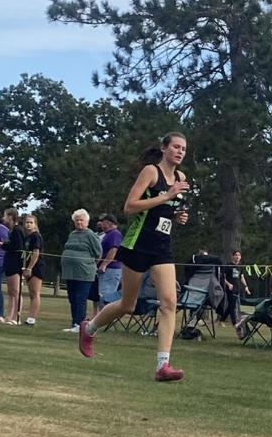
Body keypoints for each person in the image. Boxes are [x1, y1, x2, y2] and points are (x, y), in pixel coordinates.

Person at [78, 132, 191, 382]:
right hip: (138, 243)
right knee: (127, 305)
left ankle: (163, 366)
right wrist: (166, 196)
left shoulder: (181, 177)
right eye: (175, 147)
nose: (180, 152)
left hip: (162, 247)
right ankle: (90, 327)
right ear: (164, 148)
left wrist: (177, 216)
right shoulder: (151, 172)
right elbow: (129, 207)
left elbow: (167, 209)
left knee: (169, 302)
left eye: (183, 148)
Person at [61, 209, 102, 333]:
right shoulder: (72, 234)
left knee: (80, 298)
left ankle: (80, 324)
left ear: (87, 222)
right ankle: (74, 322)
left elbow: (98, 252)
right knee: (72, 297)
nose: (79, 222)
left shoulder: (90, 235)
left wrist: (87, 263)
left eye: (81, 220)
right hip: (70, 272)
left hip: (84, 272)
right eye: (77, 220)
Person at [96, 213, 124, 310]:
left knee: (106, 296)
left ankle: (105, 318)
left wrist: (104, 264)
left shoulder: (115, 234)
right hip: (108, 270)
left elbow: (114, 250)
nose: (100, 224)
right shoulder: (108, 235)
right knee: (102, 295)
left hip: (111, 269)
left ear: (108, 223)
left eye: (102, 222)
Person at [22, 214, 46, 326]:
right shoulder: (27, 237)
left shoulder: (36, 236)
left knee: (35, 292)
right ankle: (30, 317)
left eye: (31, 222)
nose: (28, 224)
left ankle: (32, 318)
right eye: (27, 222)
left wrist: (29, 268)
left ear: (35, 224)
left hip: (36, 266)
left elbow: (36, 253)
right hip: (27, 265)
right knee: (31, 293)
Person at [3, 208, 25, 324]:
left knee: (16, 291)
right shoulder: (10, 231)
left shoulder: (17, 230)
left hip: (16, 264)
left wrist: (3, 245)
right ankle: (9, 316)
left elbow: (17, 246)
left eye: (5, 216)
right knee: (11, 291)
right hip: (10, 263)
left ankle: (16, 317)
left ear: (11, 217)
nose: (4, 218)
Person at [223, 249, 249, 336]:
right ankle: (235, 324)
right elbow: (222, 277)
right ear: (233, 256)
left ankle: (222, 319)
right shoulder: (228, 266)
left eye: (239, 255)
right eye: (236, 255)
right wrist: (228, 284)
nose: (238, 257)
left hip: (238, 288)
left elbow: (242, 277)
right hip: (230, 288)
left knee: (232, 305)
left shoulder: (240, 266)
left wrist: (246, 287)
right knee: (232, 306)